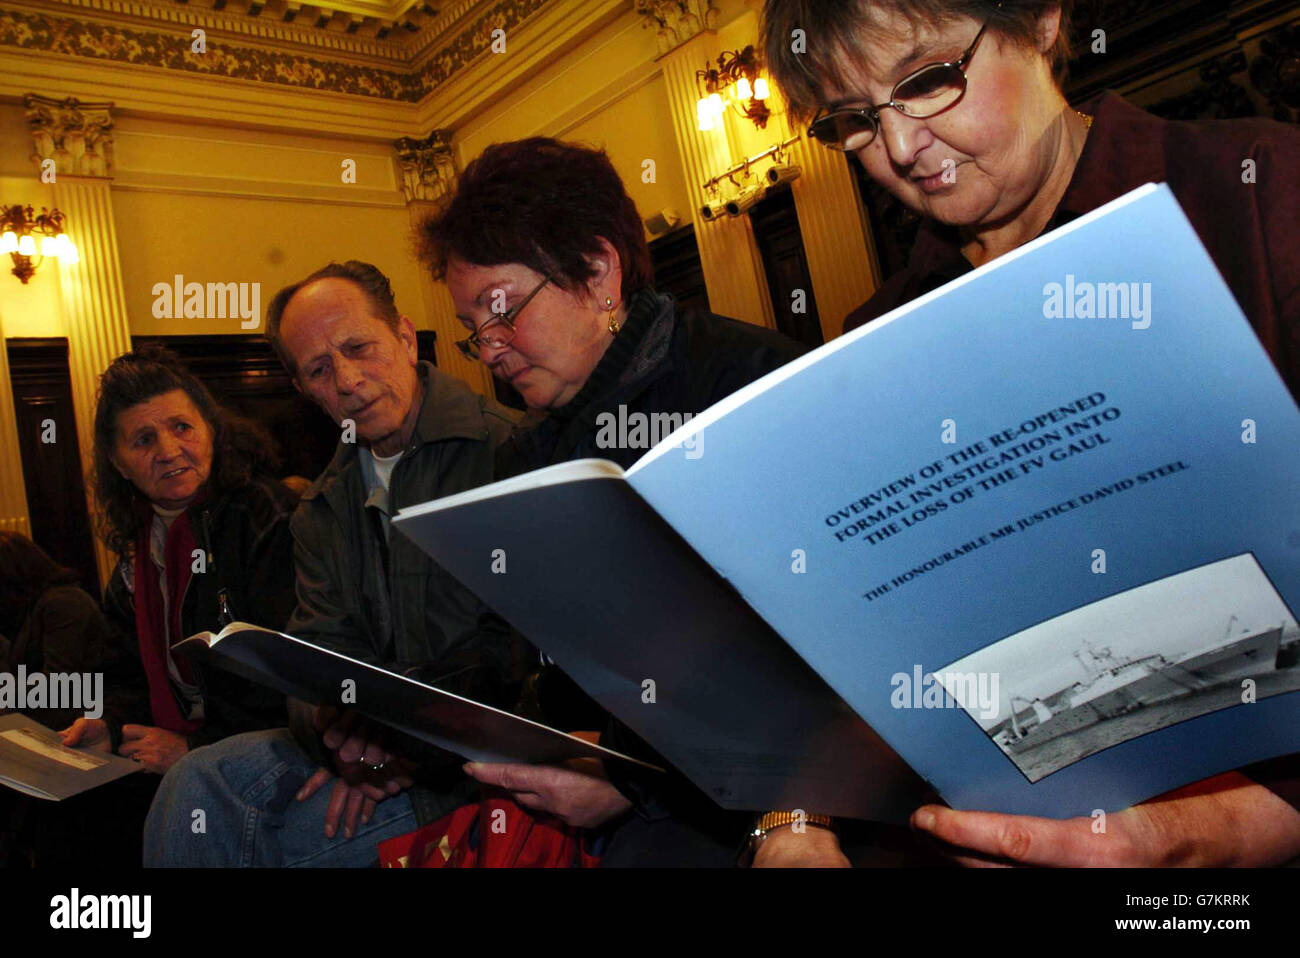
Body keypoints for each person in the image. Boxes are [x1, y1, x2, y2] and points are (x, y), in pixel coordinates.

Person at [762, 0, 1300, 865]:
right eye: (857, 122)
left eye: (930, 80)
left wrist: (1221, 834)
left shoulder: (1261, 195)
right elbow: (860, 660)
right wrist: (798, 822)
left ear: (1044, 22)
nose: (899, 149)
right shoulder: (870, 350)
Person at [417, 137, 824, 866]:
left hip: (754, 804)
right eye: (473, 328)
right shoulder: (521, 454)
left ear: (599, 274)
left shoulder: (754, 386)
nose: (490, 348)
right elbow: (499, 642)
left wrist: (633, 778)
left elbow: (808, 656)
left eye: (502, 310)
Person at [144, 261, 528, 867]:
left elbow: (518, 658)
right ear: (304, 390)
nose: (347, 380)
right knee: (198, 779)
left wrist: (392, 743)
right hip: (367, 747)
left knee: (283, 845)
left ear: (404, 336)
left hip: (479, 765)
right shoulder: (320, 506)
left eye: (359, 348)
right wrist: (336, 738)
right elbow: (314, 658)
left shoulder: (508, 452)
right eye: (320, 369)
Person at [49, 345, 298, 865]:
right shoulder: (133, 554)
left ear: (211, 428)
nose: (168, 450)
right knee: (70, 814)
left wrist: (193, 747)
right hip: (183, 745)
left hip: (270, 742)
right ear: (119, 462)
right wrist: (109, 726)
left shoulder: (266, 516)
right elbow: (125, 675)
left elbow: (289, 675)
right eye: (144, 439)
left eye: (182, 427)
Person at [0, 532, 106, 732]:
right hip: (52, 722)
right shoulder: (28, 610)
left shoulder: (64, 603)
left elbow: (58, 684)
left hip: (79, 724)